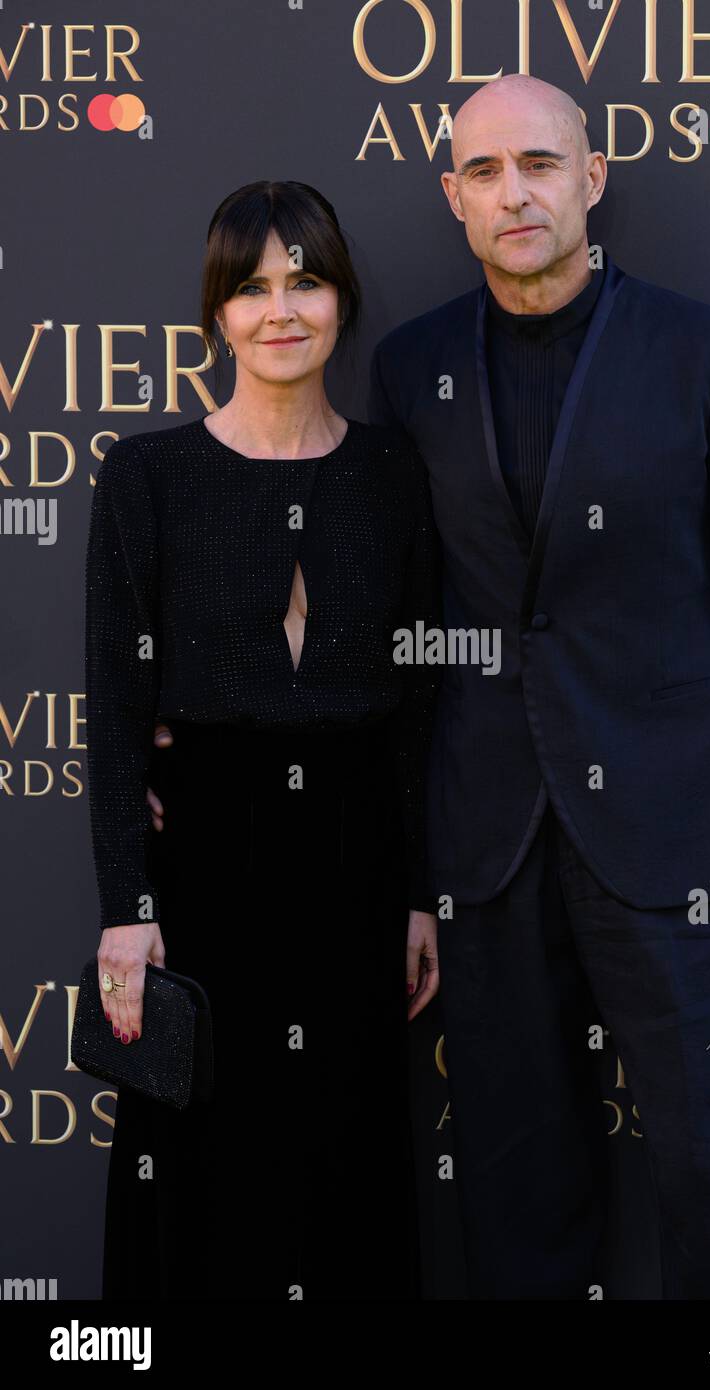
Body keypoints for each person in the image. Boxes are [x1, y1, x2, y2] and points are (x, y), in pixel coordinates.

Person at [365, 75, 710, 1299]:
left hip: (674, 849)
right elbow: (399, 631)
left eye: (538, 163)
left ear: (592, 176)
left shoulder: (707, 353)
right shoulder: (411, 369)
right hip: (488, 850)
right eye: (483, 171)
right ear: (453, 197)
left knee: (709, 1177)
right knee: (516, 1201)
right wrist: (412, 878)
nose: (513, 193)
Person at [84, 179, 441, 1301]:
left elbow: (418, 706)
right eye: (251, 289)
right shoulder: (148, 475)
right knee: (201, 1154)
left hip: (354, 859)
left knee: (344, 1148)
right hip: (204, 857)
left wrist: (419, 894)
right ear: (217, 314)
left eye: (306, 282)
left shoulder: (393, 474)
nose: (280, 311)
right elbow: (113, 708)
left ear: (343, 300)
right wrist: (128, 909)